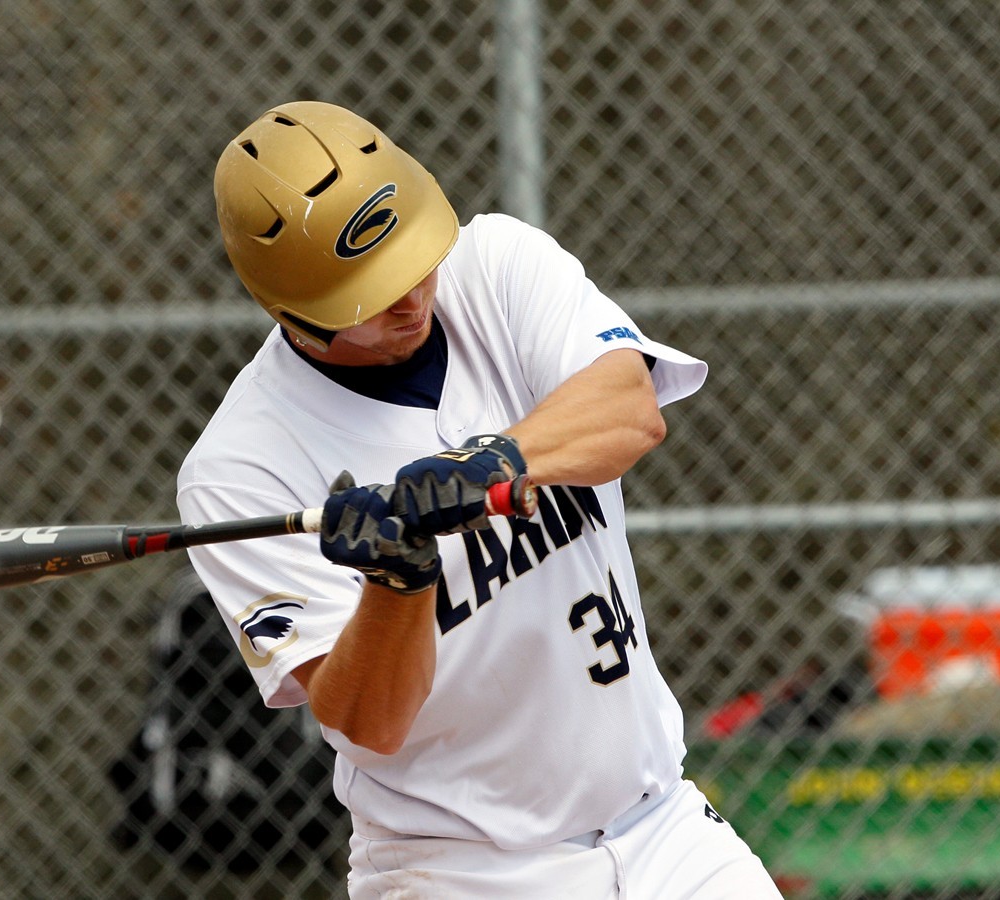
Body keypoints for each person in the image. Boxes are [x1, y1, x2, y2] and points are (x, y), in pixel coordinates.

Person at [177, 100, 781, 898]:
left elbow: (629, 411)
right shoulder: (240, 467)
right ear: (294, 311)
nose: (409, 298)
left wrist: (492, 462)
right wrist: (397, 584)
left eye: (412, 261)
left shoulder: (495, 265)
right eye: (369, 295)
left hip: (664, 827)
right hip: (463, 869)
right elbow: (369, 724)